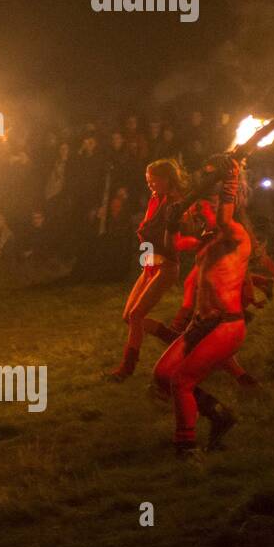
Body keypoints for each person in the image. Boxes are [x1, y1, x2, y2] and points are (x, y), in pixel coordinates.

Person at [152, 157, 249, 456]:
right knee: (163, 376)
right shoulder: (205, 242)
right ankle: (218, 414)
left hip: (226, 324)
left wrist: (231, 179)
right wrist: (170, 222)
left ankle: (187, 448)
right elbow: (171, 247)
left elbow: (222, 220)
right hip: (201, 325)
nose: (200, 216)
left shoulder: (235, 236)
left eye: (204, 211)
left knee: (181, 381)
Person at [109, 159, 188, 381]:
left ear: (167, 179)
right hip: (149, 265)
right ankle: (176, 339)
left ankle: (127, 368)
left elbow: (172, 241)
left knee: (136, 315)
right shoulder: (156, 199)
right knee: (129, 317)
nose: (150, 185)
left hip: (166, 266)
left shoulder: (175, 204)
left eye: (154, 181)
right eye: (148, 181)